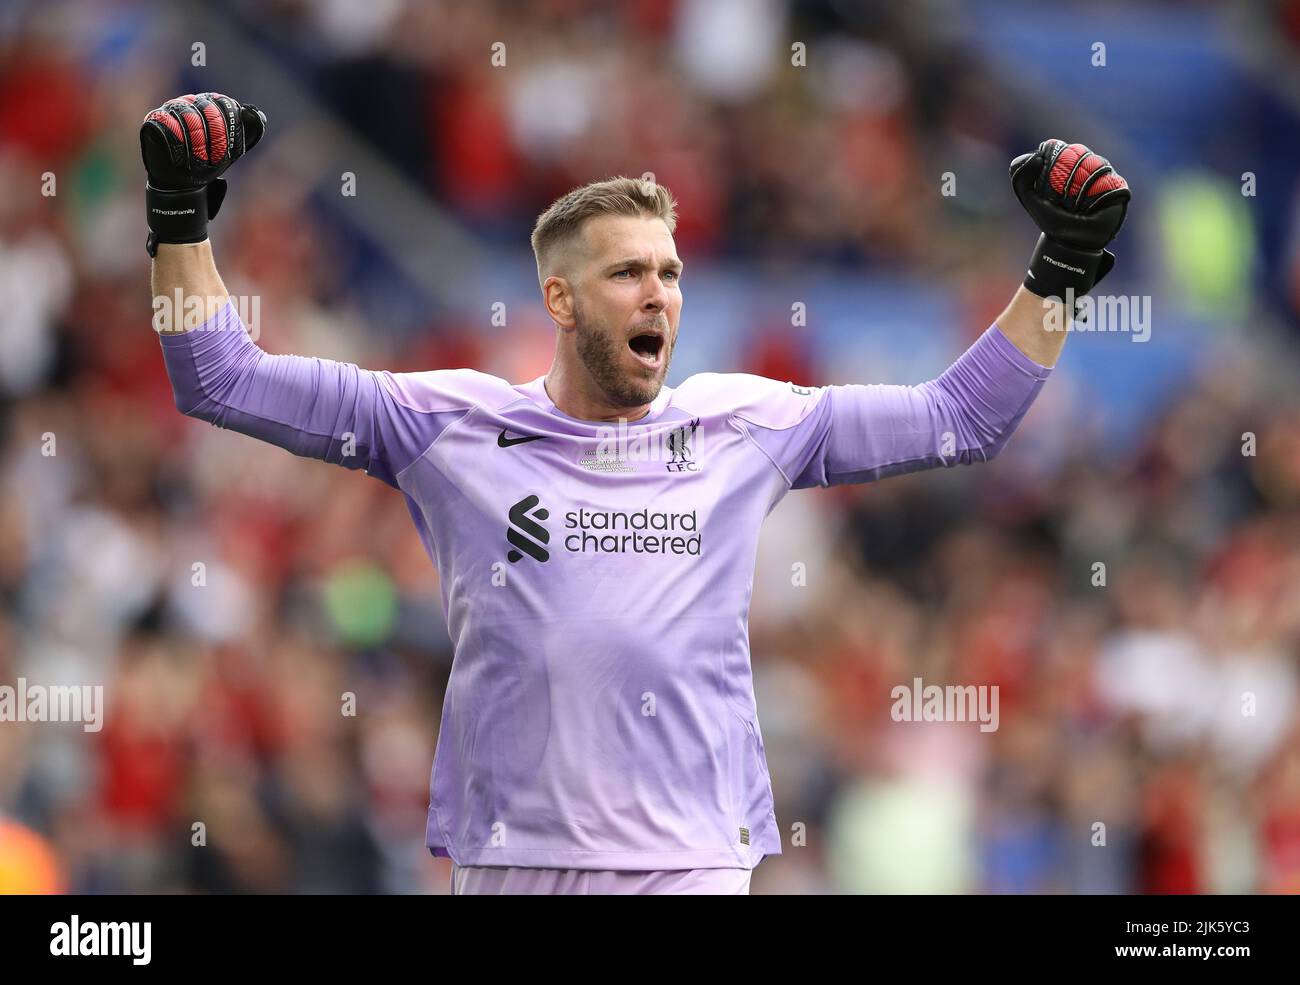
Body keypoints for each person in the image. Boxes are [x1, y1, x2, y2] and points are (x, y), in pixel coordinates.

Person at [141, 93, 1129, 895]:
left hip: (687, 858)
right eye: (626, 273)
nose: (659, 293)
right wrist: (180, 216)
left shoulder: (745, 425)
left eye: (670, 271)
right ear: (560, 300)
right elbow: (223, 381)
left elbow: (960, 418)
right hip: (510, 857)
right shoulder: (447, 424)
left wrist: (1063, 266)